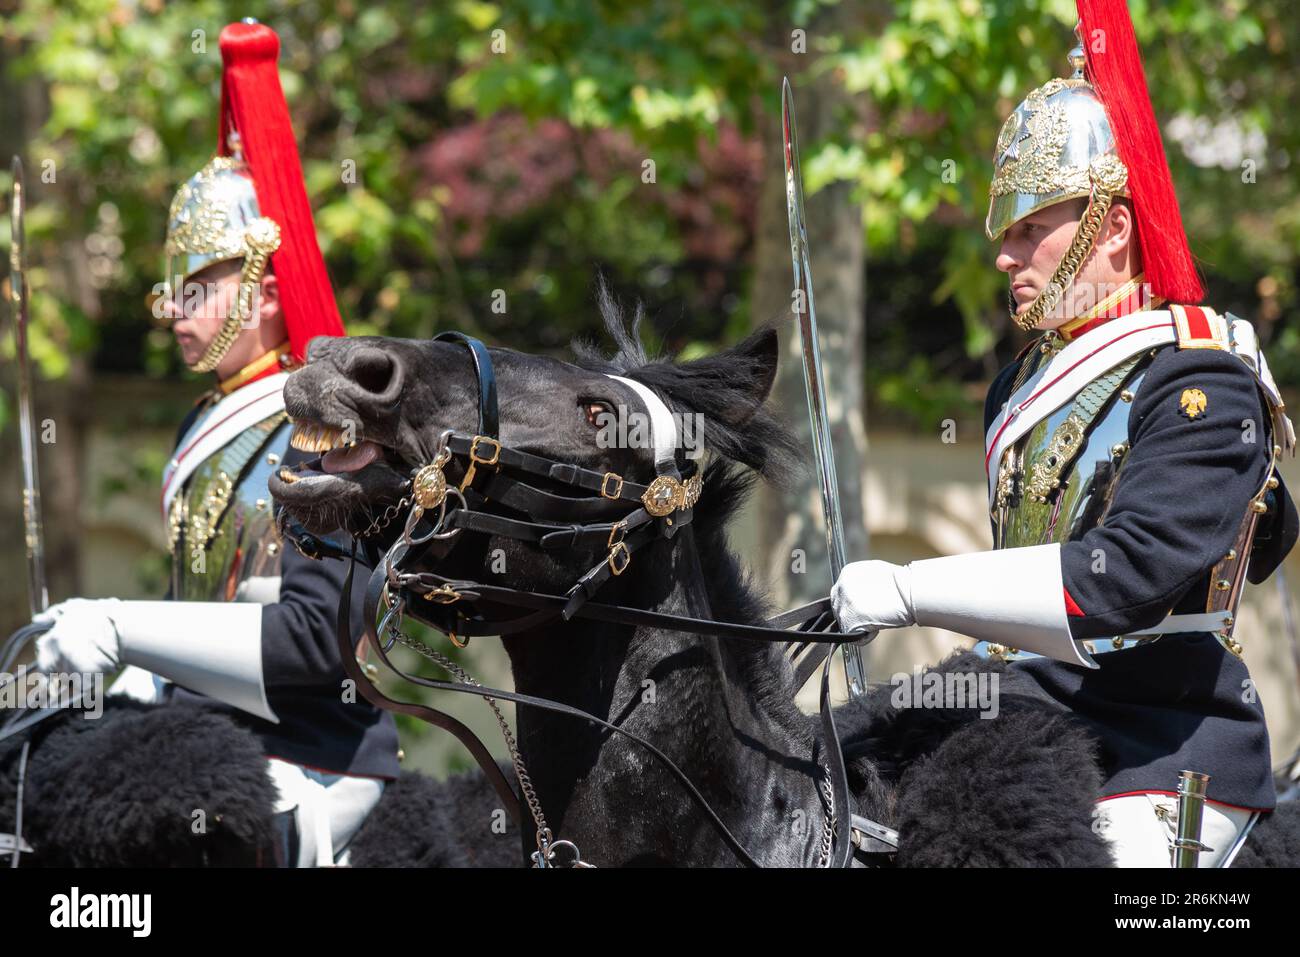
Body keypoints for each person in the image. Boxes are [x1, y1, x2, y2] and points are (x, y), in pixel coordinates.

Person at [831, 0, 1297, 867]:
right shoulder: (1018, 386)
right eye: (1003, 233)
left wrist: (909, 587)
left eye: (1029, 228)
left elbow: (1118, 581)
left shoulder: (1201, 377)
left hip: (1154, 739)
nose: (1006, 257)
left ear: (1111, 228)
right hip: (1021, 703)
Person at [32, 20, 399, 866]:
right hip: (210, 735)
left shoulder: (322, 429)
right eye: (172, 290)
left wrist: (125, 628)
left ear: (265, 291)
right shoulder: (203, 422)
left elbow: (318, 641)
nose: (174, 311)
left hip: (312, 760)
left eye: (197, 288)